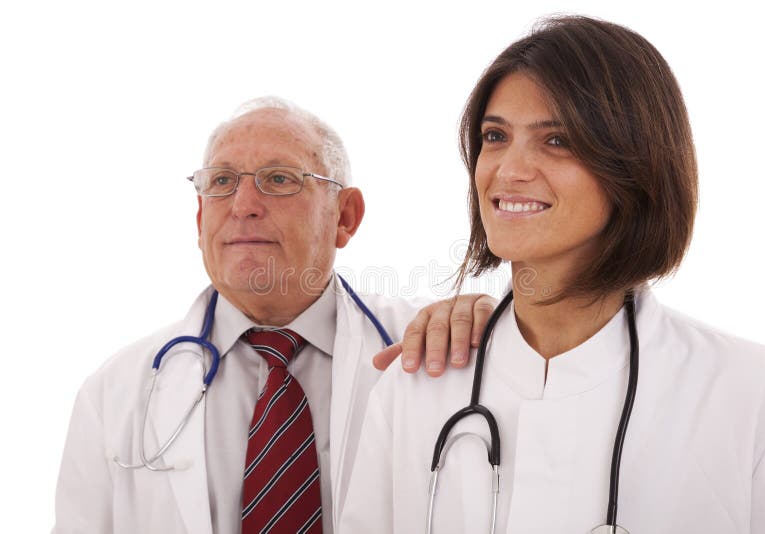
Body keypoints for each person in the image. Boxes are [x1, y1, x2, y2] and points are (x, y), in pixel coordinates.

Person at [340, 16, 765, 534]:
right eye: (495, 136)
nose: (508, 170)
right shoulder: (414, 388)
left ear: (635, 165)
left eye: (556, 140)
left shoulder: (753, 392)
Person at [52, 96, 495, 534]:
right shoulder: (114, 392)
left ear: (345, 216)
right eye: (222, 181)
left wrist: (506, 329)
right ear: (201, 215)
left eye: (278, 179)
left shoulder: (430, 347)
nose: (243, 204)